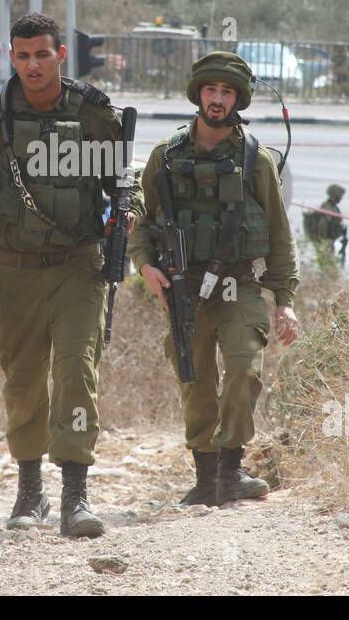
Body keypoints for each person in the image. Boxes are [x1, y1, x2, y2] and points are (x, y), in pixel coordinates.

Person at [0, 12, 144, 538]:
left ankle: (77, 494)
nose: (33, 65)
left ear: (60, 56)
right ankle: (30, 492)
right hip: (16, 270)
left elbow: (125, 181)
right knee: (24, 379)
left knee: (77, 371)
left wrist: (131, 209)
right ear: (12, 57)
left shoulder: (95, 116)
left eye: (42, 55)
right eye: (23, 56)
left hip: (80, 266)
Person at [128, 52, 300, 507]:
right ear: (198, 94)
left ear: (237, 99)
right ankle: (206, 475)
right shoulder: (166, 156)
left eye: (227, 92)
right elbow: (141, 221)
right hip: (183, 287)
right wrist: (145, 266)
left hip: (237, 284)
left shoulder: (254, 160)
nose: (218, 99)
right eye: (211, 90)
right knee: (195, 376)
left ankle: (231, 468)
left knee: (245, 368)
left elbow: (280, 235)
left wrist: (284, 299)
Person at [303, 184, 348, 269]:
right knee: (328, 268)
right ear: (335, 195)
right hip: (325, 242)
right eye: (340, 196)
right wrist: (324, 242)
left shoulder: (334, 208)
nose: (341, 198)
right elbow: (322, 226)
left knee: (328, 267)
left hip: (328, 242)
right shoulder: (327, 208)